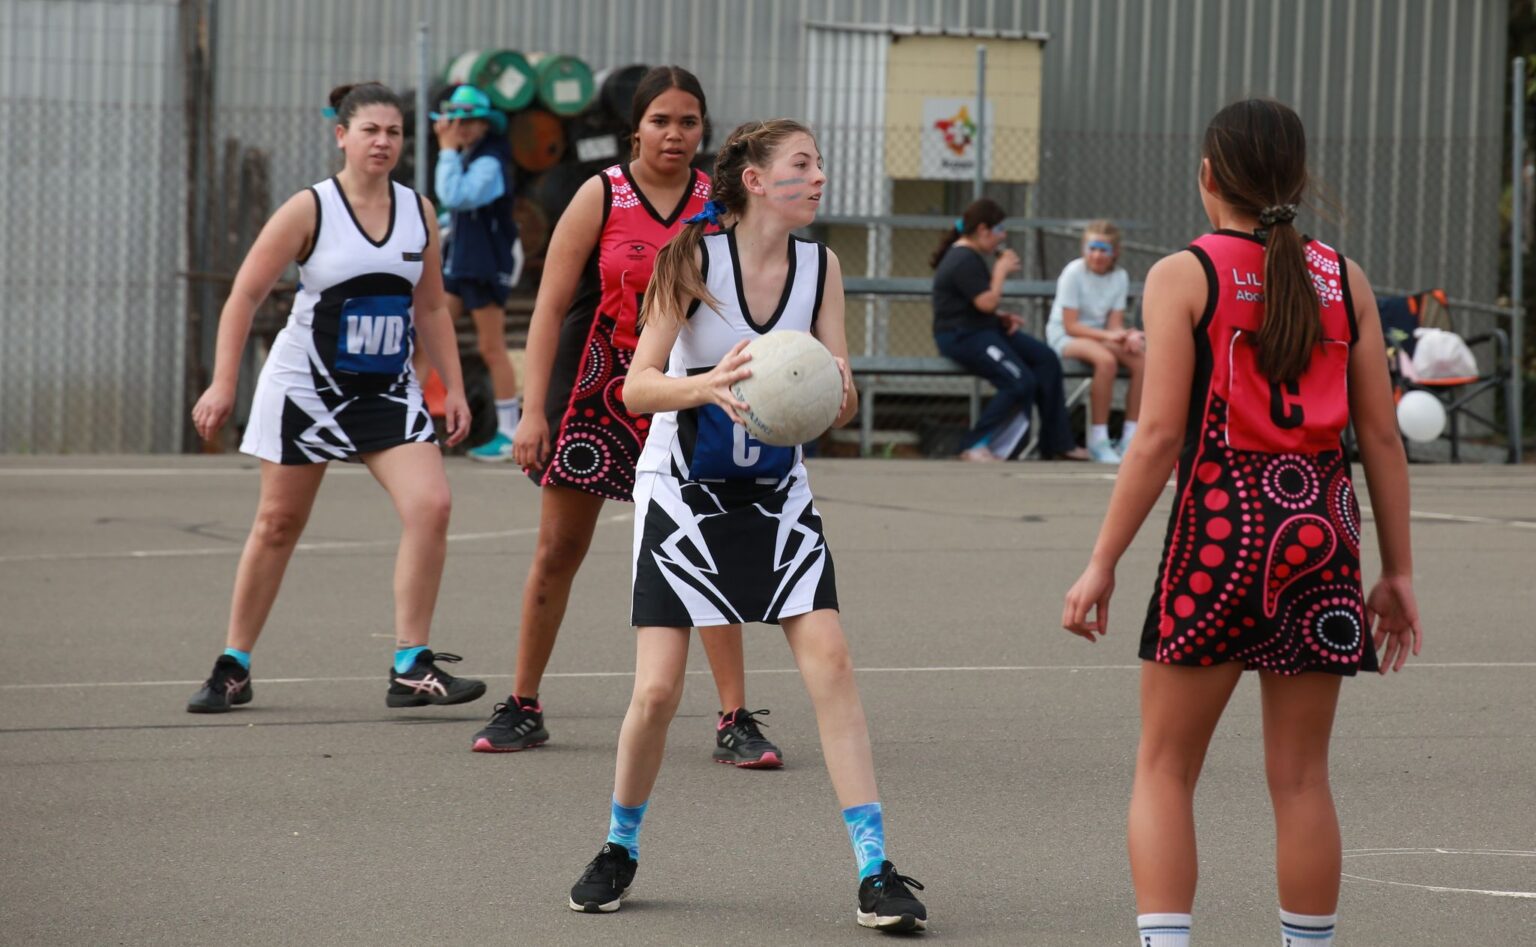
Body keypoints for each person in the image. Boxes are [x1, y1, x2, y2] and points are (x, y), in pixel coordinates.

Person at [1060, 98, 1423, 947]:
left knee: (1164, 766)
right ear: (1295, 180)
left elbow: (1154, 438)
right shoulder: (1346, 277)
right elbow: (1379, 437)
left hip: (1224, 530)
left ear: (1208, 177)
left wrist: (1102, 560)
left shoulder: (1186, 273)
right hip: (1322, 530)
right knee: (1301, 778)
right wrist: (1398, 572)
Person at [565, 118, 928, 933]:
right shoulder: (690, 260)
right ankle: (619, 846)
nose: (819, 175)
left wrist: (819, 388)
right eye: (803, 163)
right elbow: (636, 388)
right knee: (657, 690)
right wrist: (711, 385)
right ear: (756, 180)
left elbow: (844, 389)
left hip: (775, 490)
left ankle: (876, 868)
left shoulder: (821, 267)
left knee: (830, 661)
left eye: (821, 162)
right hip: (683, 487)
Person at [471, 67, 782, 768]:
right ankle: (523, 703)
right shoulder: (600, 193)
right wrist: (527, 415)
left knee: (705, 551)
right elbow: (549, 308)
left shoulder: (720, 202)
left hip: (686, 393)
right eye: (661, 120)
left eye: (689, 121)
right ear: (634, 127)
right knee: (559, 550)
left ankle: (734, 716)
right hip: (594, 390)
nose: (675, 134)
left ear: (705, 130)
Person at [186, 82, 486, 713]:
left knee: (431, 505)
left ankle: (411, 663)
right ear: (341, 135)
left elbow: (430, 304)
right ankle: (234, 663)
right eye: (371, 130)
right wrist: (224, 380)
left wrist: (454, 387)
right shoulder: (309, 210)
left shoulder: (418, 210)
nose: (383, 142)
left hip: (386, 391)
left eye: (395, 132)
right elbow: (243, 294)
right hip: (306, 391)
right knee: (277, 524)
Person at [931, 199, 1089, 462]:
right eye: (999, 230)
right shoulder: (962, 260)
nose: (1002, 237)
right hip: (961, 337)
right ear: (983, 230)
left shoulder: (971, 257)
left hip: (983, 330)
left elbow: (977, 305)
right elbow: (986, 301)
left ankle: (1059, 443)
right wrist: (1001, 271)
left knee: (1046, 359)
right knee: (1019, 381)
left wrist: (1000, 318)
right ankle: (974, 444)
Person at [430, 85, 524, 463]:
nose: (461, 128)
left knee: (490, 346)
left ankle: (508, 431)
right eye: (455, 121)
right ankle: (408, 419)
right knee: (430, 336)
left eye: (470, 121)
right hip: (460, 261)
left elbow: (455, 195)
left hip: (484, 264)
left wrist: (446, 150)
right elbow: (452, 211)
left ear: (486, 124)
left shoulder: (490, 162)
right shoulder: (469, 156)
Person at [1045, 221, 1145, 463]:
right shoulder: (1073, 272)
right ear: (1084, 249)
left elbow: (1113, 324)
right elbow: (1071, 325)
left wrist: (1127, 335)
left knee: (1142, 360)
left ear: (1115, 252)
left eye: (1104, 249)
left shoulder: (1120, 276)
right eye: (1093, 248)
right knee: (1106, 360)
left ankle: (1130, 438)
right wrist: (1110, 337)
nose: (1097, 255)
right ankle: (1098, 440)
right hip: (1067, 336)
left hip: (1100, 335)